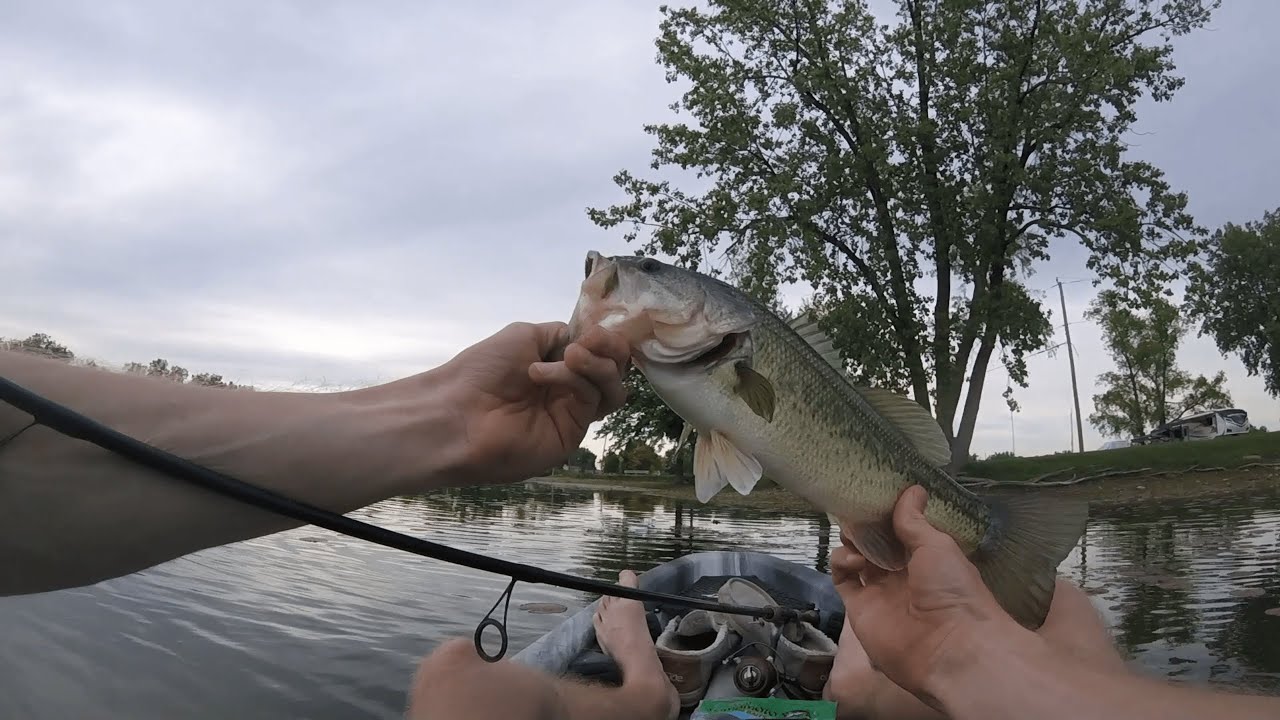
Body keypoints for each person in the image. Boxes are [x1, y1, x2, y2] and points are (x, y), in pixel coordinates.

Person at [2, 322, 1277, 719]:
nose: (626, 293)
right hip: (952, 646)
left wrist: (974, 648)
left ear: (698, 316)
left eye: (650, 287)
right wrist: (984, 660)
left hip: (931, 605)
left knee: (459, 684)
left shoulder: (724, 353)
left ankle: (639, 668)